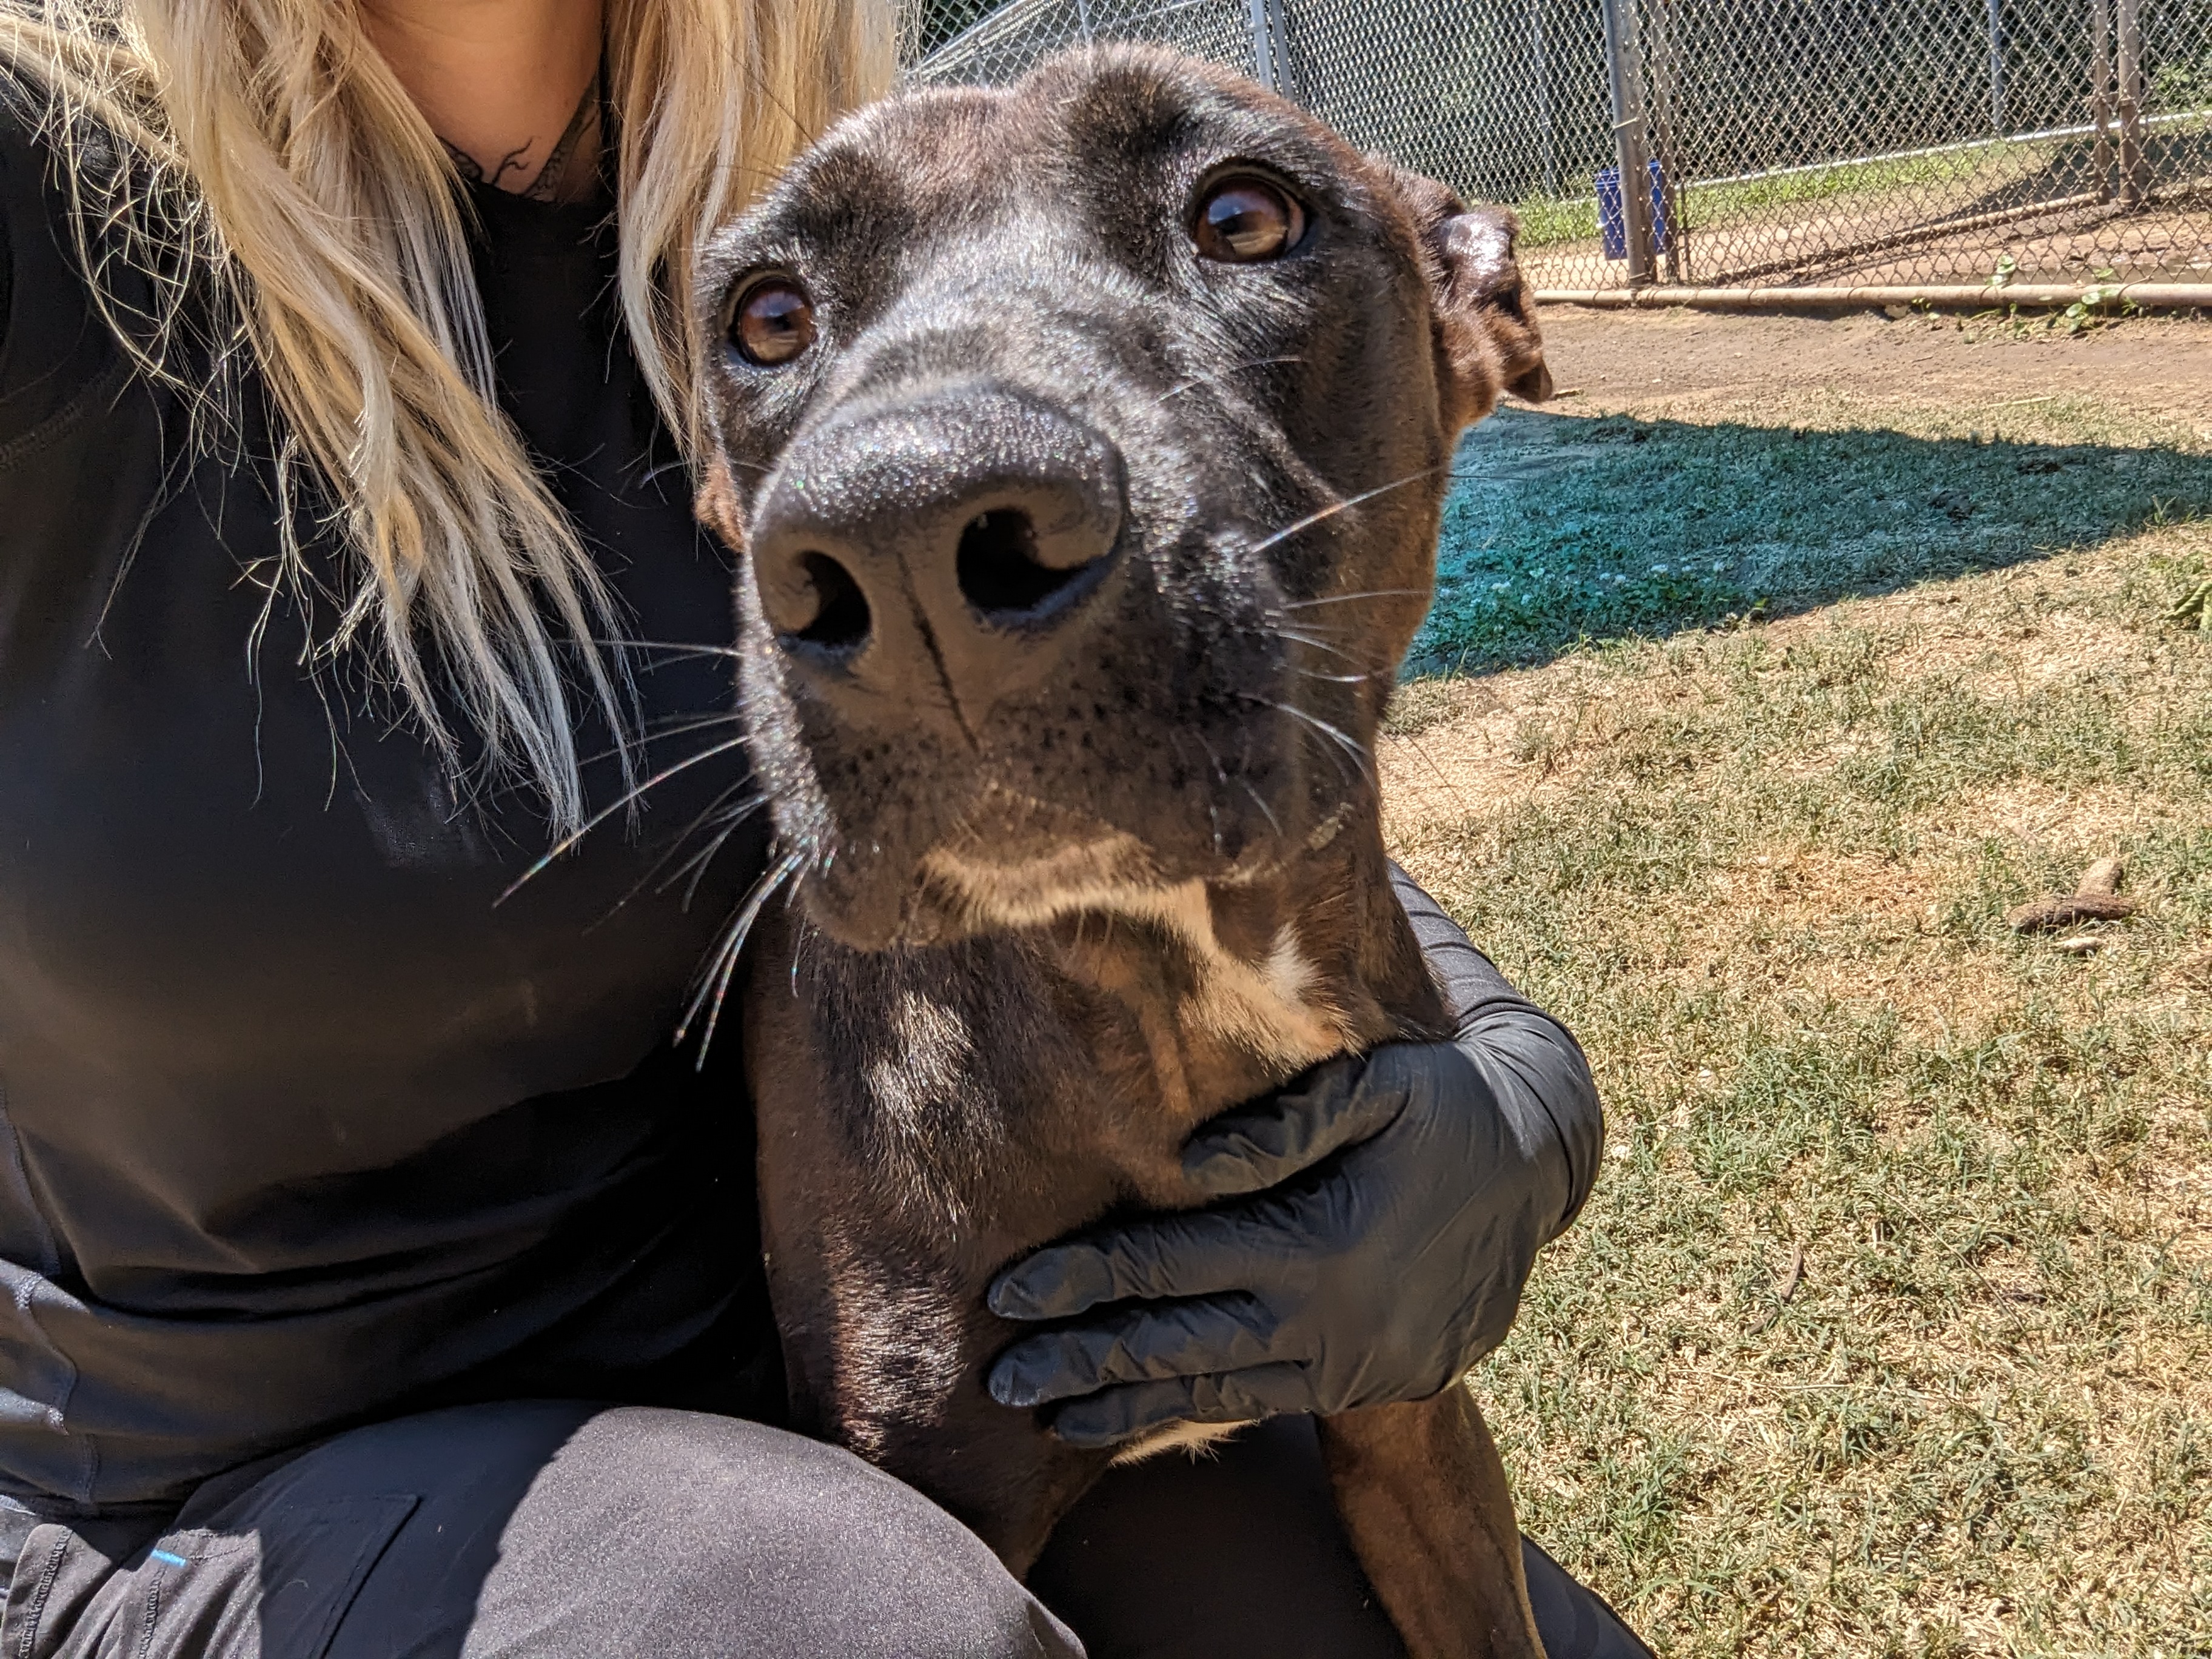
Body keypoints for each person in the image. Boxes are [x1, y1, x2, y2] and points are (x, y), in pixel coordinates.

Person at [0, 0, 1650, 1653]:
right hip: (208, 1494)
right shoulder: (49, 188)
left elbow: (1073, 741)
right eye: (776, 328)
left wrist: (1518, 1084)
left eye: (1237, 224)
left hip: (858, 1338)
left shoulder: (782, 236)